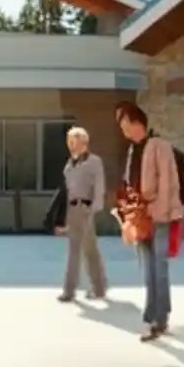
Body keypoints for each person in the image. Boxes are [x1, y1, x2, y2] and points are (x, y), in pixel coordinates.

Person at [116, 102, 182, 342]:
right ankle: (152, 315)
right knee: (148, 271)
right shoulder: (133, 150)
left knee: (159, 268)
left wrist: (159, 212)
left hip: (158, 215)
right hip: (140, 217)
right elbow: (129, 183)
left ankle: (159, 319)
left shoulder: (159, 147)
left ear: (137, 123)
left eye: (125, 126)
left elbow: (168, 182)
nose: (123, 132)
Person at [57, 126, 108, 302]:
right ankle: (70, 290)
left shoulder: (94, 161)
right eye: (69, 142)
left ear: (83, 142)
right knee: (75, 250)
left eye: (73, 141)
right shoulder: (69, 164)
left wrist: (94, 207)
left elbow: (100, 185)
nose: (70, 145)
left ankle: (98, 287)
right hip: (72, 210)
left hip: (86, 208)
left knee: (89, 250)